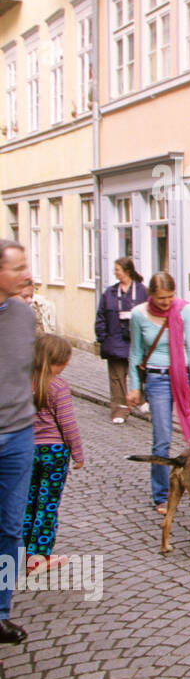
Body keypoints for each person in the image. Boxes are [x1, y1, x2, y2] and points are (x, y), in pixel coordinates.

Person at [126, 272, 190, 516]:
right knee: (161, 438)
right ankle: (162, 495)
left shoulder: (184, 310)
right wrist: (134, 386)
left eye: (170, 296)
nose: (166, 302)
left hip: (185, 378)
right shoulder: (138, 314)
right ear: (151, 295)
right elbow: (135, 353)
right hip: (157, 378)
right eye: (161, 298)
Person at [24, 334, 84, 576]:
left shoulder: (21, 383)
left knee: (28, 500)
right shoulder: (58, 386)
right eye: (64, 362)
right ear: (55, 362)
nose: (67, 366)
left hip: (26, 449)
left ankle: (21, 547)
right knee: (47, 503)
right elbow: (67, 424)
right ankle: (38, 557)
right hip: (54, 452)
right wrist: (78, 453)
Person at [0, 240, 36, 644]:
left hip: (18, 437)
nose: (26, 275)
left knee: (10, 530)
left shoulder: (24, 315)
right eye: (17, 268)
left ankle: (0, 611)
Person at [94, 257, 148, 424]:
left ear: (127, 271)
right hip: (115, 340)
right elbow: (101, 316)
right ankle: (119, 409)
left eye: (117, 269)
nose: (114, 272)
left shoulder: (141, 291)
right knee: (117, 378)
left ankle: (142, 400)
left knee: (140, 373)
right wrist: (103, 337)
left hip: (136, 341)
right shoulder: (110, 292)